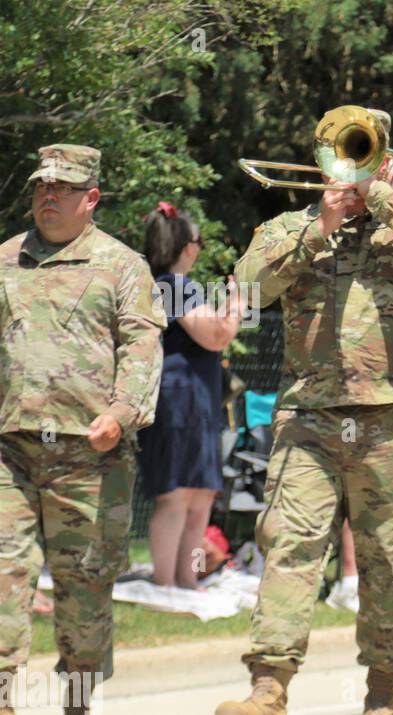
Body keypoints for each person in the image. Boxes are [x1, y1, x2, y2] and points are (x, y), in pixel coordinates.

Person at [213, 109, 393, 715]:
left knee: (391, 555)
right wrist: (321, 225)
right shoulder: (288, 228)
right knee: (289, 543)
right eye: (344, 155)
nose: (350, 168)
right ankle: (268, 692)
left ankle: (382, 695)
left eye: (364, 155)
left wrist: (383, 197)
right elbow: (248, 287)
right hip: (310, 417)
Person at [0, 144, 165, 715]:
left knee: (84, 587)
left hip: (91, 456)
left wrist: (122, 414)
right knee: (3, 573)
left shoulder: (122, 266)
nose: (48, 196)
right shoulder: (5, 260)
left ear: (90, 198)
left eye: (62, 188)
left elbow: (143, 349)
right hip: (10, 449)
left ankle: (76, 708)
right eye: (41, 185)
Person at [137, 202, 241, 590]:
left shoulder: (175, 286)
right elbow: (215, 335)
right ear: (189, 246)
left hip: (196, 402)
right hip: (176, 402)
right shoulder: (172, 285)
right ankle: (165, 582)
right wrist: (235, 303)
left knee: (200, 495)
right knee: (177, 495)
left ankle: (186, 579)